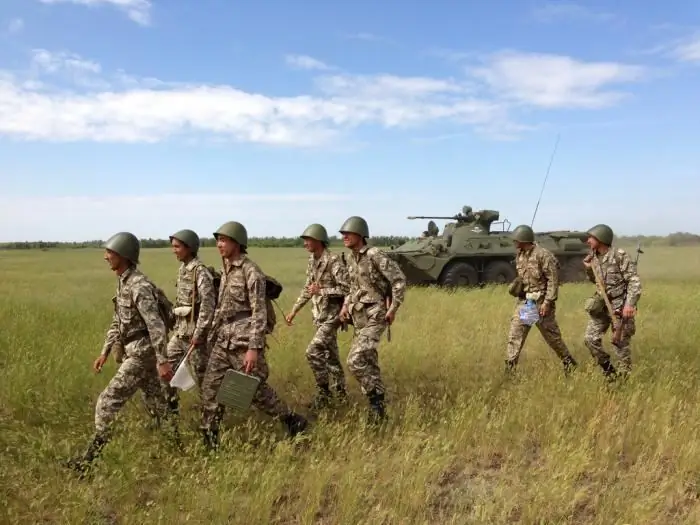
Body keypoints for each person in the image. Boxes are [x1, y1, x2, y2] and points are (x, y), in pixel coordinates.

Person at [65, 232, 174, 475]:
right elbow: (118, 321)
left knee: (106, 402)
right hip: (134, 350)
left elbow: (156, 325)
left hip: (141, 353)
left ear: (124, 256)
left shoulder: (139, 286)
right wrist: (105, 351)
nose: (105, 257)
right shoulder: (123, 282)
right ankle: (177, 447)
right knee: (156, 403)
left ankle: (89, 461)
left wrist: (162, 361)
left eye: (110, 253)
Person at [199, 221, 308, 450]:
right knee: (211, 386)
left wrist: (253, 348)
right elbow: (222, 307)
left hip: (243, 341)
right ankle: (210, 436)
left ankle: (292, 420)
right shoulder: (227, 268)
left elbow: (259, 311)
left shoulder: (251, 271)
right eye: (218, 240)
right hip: (223, 340)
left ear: (237, 243)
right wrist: (210, 335)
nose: (219, 244)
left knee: (254, 390)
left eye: (224, 240)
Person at [338, 216, 406, 424]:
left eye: (348, 234)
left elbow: (398, 280)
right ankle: (379, 412)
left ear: (360, 234)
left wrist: (393, 308)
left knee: (355, 360)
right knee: (369, 360)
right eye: (343, 234)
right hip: (359, 316)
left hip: (377, 314)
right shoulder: (350, 258)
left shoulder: (375, 254)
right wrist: (345, 307)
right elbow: (353, 287)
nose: (344, 237)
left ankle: (376, 398)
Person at [285, 223, 350, 410]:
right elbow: (308, 289)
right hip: (319, 316)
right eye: (304, 240)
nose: (305, 244)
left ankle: (324, 393)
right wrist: (294, 310)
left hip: (332, 316)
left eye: (308, 240)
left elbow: (347, 289)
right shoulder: (312, 261)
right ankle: (341, 394)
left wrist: (322, 291)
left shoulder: (334, 261)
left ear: (319, 241)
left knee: (312, 351)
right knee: (331, 356)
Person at [504, 225, 578, 373]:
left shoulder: (543, 255)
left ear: (523, 240)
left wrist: (547, 303)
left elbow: (553, 280)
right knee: (516, 334)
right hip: (527, 303)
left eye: (516, 240)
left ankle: (569, 362)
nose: (514, 243)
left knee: (552, 338)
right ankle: (510, 370)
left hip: (542, 303)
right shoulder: (520, 255)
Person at [163, 228, 217, 415]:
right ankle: (171, 408)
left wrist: (199, 333)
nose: (174, 250)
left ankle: (211, 419)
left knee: (204, 380)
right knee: (165, 366)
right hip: (181, 334)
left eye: (177, 247)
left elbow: (208, 306)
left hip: (196, 338)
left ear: (189, 248)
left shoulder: (200, 272)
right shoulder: (182, 269)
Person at [582, 224, 642, 381]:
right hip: (602, 306)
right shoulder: (593, 257)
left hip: (620, 307)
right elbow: (595, 280)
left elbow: (634, 281)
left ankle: (624, 380)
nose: (588, 241)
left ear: (601, 239)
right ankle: (608, 370)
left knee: (620, 344)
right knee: (590, 339)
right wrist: (589, 268)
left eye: (591, 238)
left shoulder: (619, 256)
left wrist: (629, 305)